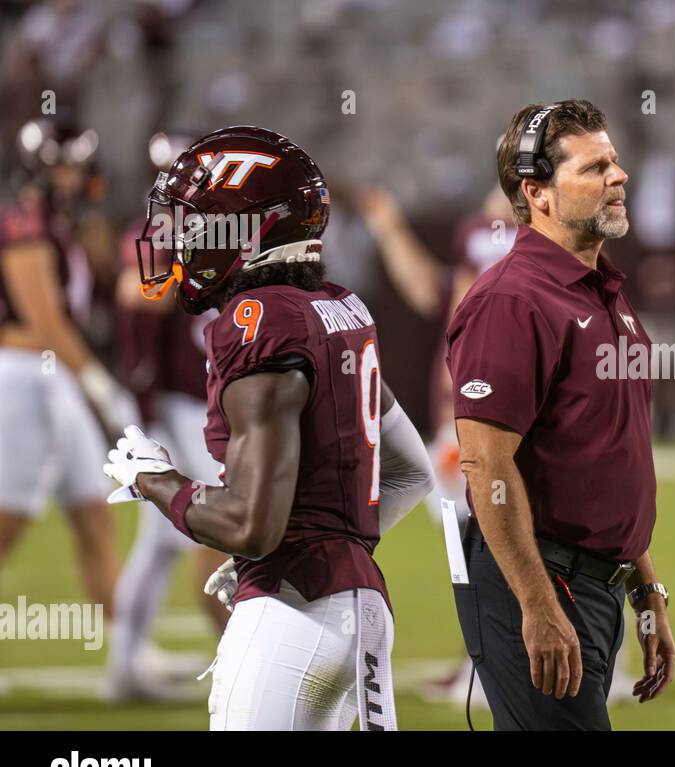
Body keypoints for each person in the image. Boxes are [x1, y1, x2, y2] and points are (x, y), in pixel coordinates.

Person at [103, 126, 433, 730]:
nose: (178, 241)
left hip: (291, 616)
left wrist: (153, 479)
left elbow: (249, 525)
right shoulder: (341, 309)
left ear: (247, 229)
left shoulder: (257, 321)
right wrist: (333, 546)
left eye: (192, 224)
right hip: (360, 608)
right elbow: (413, 472)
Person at [447, 99, 674, 730]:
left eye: (616, 161)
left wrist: (646, 590)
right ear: (536, 192)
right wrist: (538, 605)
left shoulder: (604, 289)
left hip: (591, 583)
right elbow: (485, 463)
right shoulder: (512, 300)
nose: (618, 176)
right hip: (543, 578)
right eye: (595, 167)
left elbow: (613, 460)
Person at [106, 132, 229, 702]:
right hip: (178, 407)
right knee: (215, 531)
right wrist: (142, 412)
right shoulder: (160, 235)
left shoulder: (205, 230)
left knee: (156, 546)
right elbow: (138, 309)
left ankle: (124, 665)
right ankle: (235, 655)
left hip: (190, 401)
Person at [0, 115, 125, 617]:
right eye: (63, 169)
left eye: (77, 168)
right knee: (7, 523)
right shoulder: (23, 223)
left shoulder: (59, 226)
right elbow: (47, 325)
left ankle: (128, 652)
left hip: (53, 382)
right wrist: (101, 384)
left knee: (95, 514)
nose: (73, 179)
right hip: (23, 378)